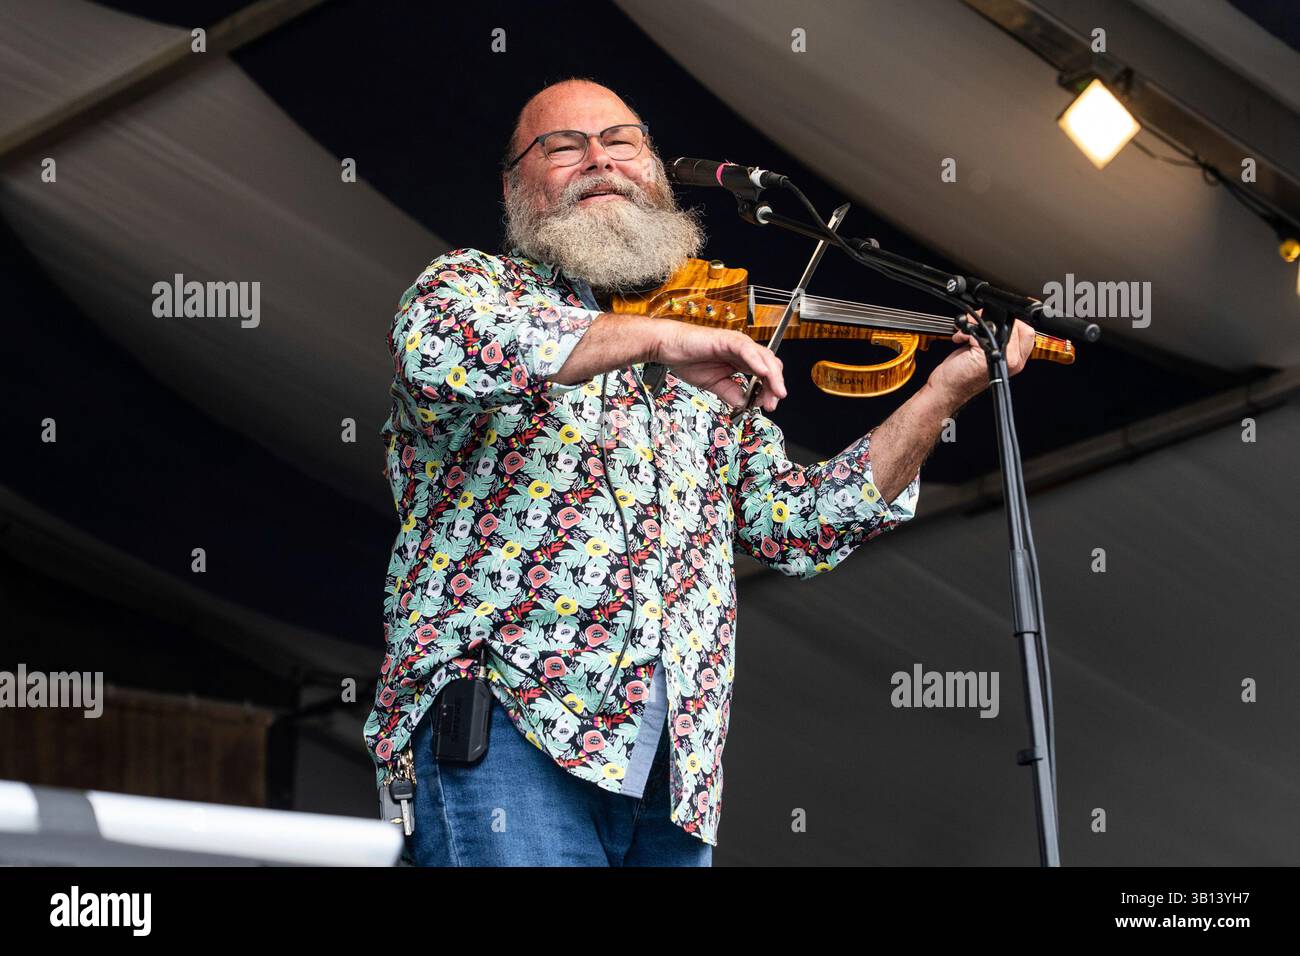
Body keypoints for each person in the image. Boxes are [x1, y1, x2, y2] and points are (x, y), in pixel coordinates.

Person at [362, 78, 1037, 866]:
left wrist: (943, 394)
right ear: (516, 187)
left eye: (621, 142)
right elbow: (441, 347)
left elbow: (803, 527)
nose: (598, 160)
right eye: (563, 146)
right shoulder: (472, 288)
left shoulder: (702, 359)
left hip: (672, 769)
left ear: (656, 177)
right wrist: (656, 337)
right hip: (510, 729)